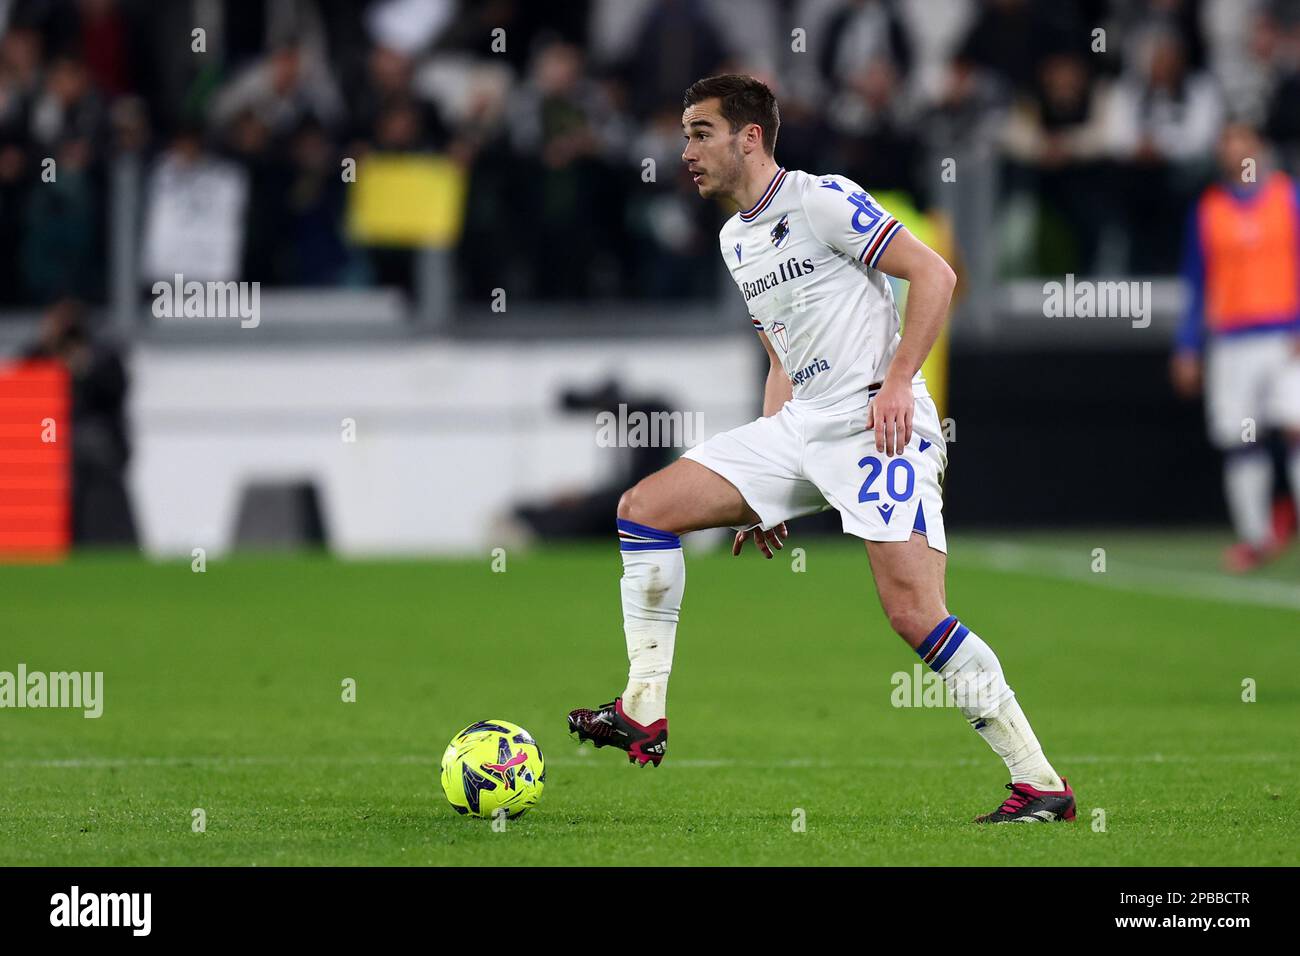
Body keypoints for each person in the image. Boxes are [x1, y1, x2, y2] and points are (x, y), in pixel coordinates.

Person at [567, 74, 1075, 824]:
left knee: (914, 613)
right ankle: (643, 707)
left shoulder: (820, 198)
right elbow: (781, 357)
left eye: (700, 133)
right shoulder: (735, 237)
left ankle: (1041, 784)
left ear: (750, 137)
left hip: (878, 422)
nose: (686, 152)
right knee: (644, 509)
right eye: (683, 136)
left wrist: (900, 382)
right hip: (802, 425)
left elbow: (935, 273)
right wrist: (766, 482)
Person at [1171, 121, 1300, 572]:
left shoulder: (1289, 197)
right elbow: (1197, 281)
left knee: (1295, 426)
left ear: (1260, 148)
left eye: (1243, 142)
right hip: (1231, 340)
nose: (1236, 153)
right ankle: (1256, 536)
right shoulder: (1208, 211)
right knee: (1240, 438)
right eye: (1228, 145)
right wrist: (1187, 346)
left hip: (1286, 337)